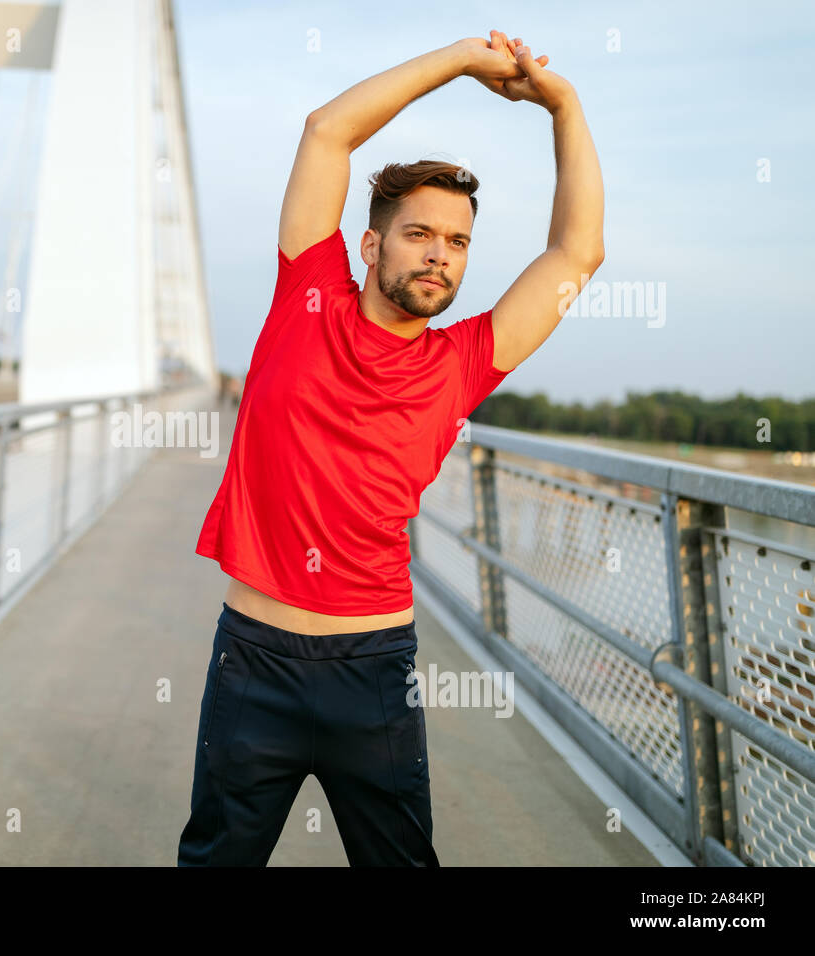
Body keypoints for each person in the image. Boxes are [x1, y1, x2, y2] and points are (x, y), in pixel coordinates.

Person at [178, 31, 604, 866]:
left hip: (373, 670)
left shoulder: (463, 363)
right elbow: (326, 132)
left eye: (457, 242)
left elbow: (575, 253)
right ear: (371, 245)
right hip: (253, 659)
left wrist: (564, 104)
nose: (440, 254)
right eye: (419, 234)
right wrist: (459, 60)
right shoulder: (307, 292)